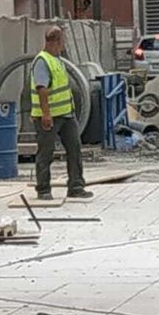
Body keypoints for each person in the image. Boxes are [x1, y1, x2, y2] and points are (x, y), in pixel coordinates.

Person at [30, 26, 91, 201]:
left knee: (74, 148)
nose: (63, 45)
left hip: (66, 114)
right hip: (49, 117)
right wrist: (46, 114)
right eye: (62, 41)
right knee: (46, 153)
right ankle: (43, 189)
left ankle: (76, 186)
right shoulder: (42, 61)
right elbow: (41, 89)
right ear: (56, 41)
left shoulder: (57, 60)